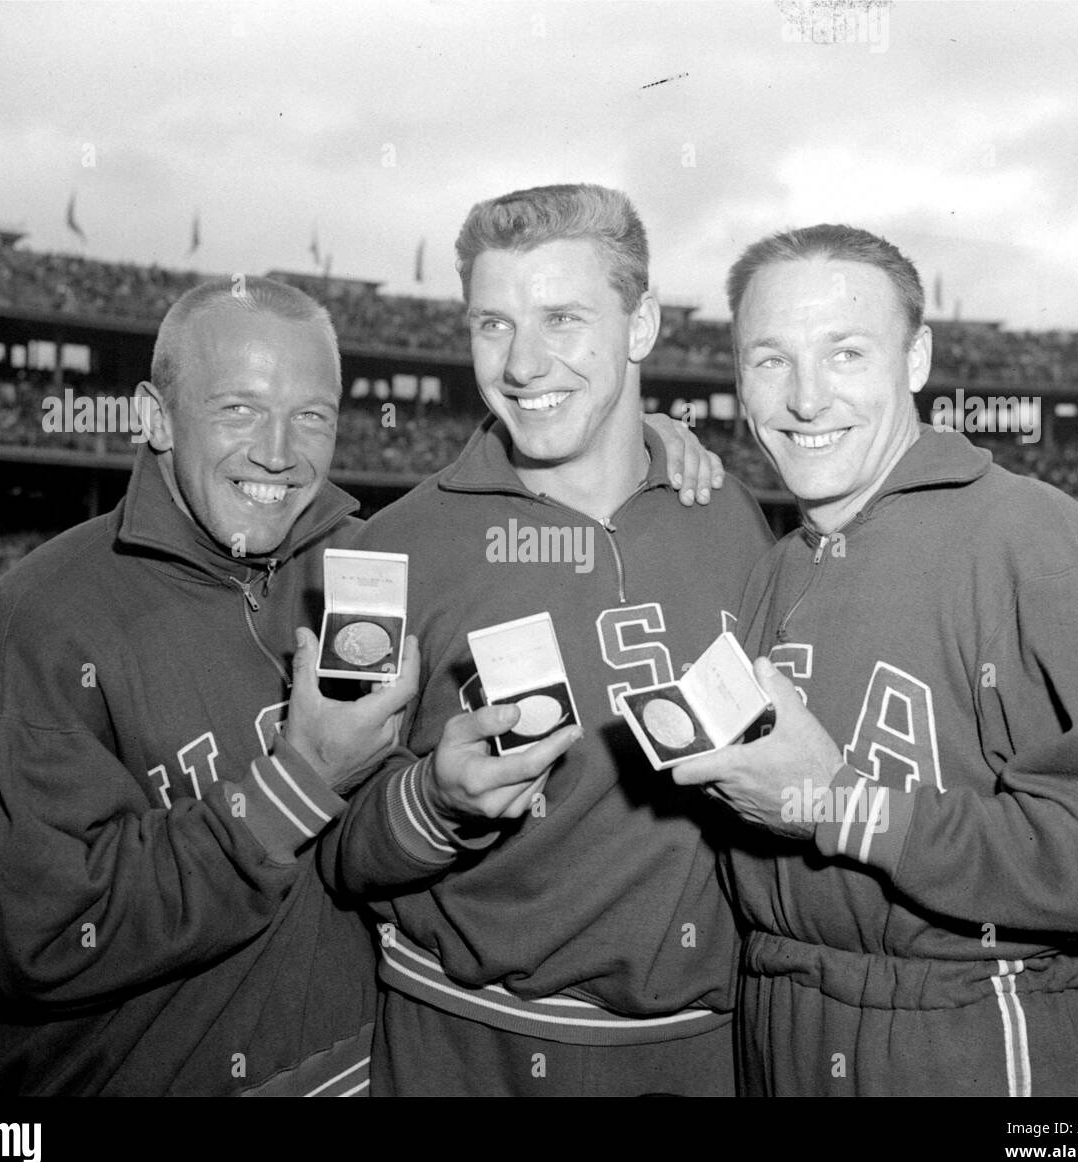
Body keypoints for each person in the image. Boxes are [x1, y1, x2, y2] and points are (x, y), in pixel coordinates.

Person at [0, 275, 724, 1097]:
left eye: (311, 416)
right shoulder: (31, 628)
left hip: (372, 1071)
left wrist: (636, 438)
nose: (279, 450)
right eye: (238, 409)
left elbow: (489, 499)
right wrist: (295, 781)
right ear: (155, 416)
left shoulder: (363, 565)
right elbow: (48, 939)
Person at [674, 224, 1078, 1096]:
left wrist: (845, 807)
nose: (805, 399)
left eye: (845, 353)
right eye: (770, 361)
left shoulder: (1036, 538)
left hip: (969, 1035)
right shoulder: (776, 567)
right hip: (778, 1023)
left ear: (917, 360)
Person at [325, 184, 775, 1096]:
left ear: (641, 324)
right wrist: (435, 802)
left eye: (563, 318)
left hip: (706, 1050)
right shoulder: (390, 552)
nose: (523, 364)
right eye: (493, 324)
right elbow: (332, 848)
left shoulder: (726, 510)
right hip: (469, 1050)